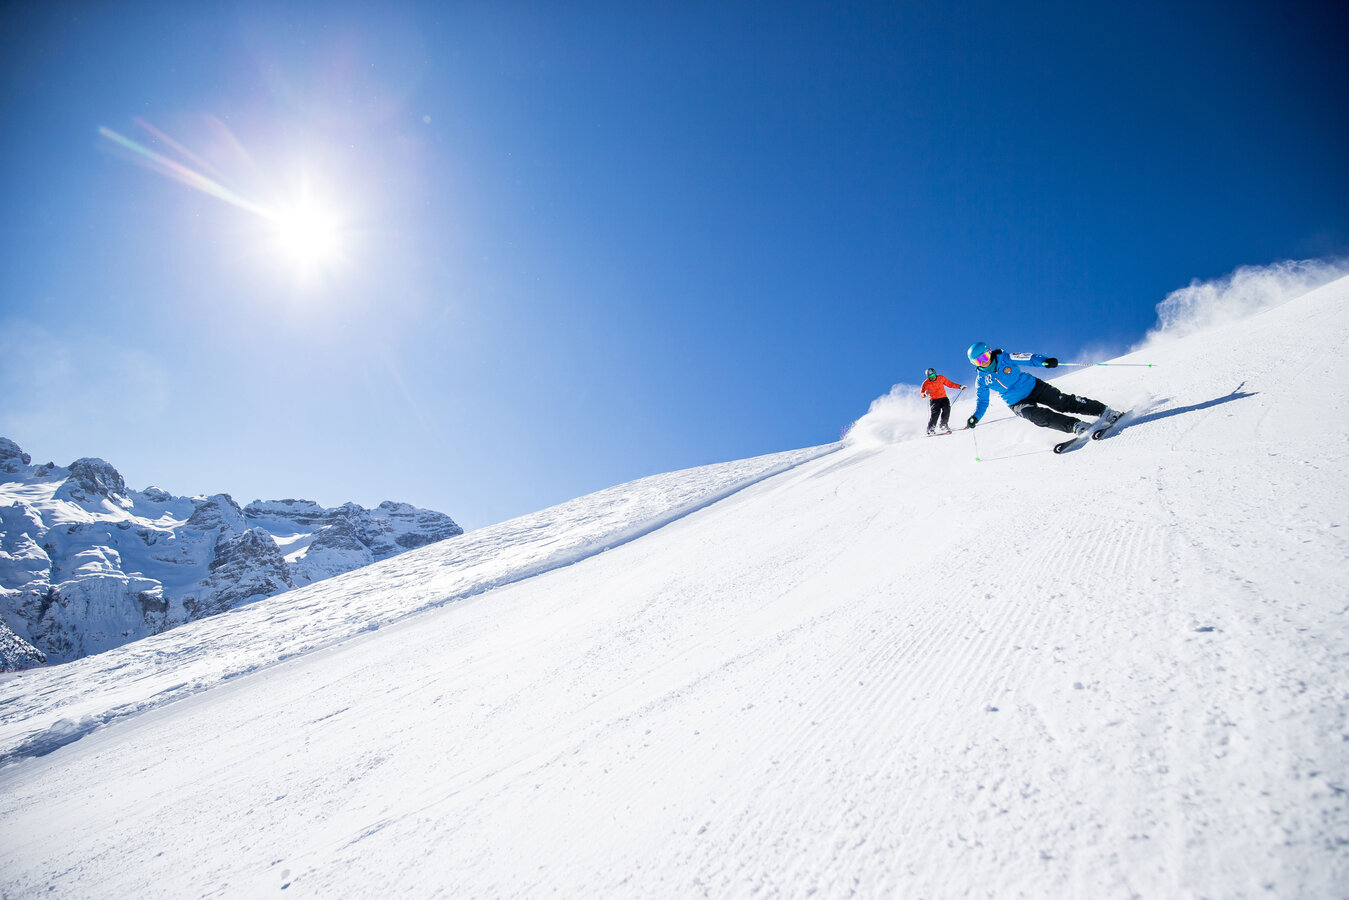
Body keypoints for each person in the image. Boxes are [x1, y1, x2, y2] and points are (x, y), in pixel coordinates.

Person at [964, 342, 1120, 435]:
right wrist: (975, 417)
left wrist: (1045, 361)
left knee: (1062, 402)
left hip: (1033, 387)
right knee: (1037, 416)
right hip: (1016, 402)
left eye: (984, 357)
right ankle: (1075, 426)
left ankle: (1105, 411)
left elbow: (1028, 358)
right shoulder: (982, 380)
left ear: (989, 353)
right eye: (977, 361)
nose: (983, 362)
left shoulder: (1005, 358)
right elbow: (982, 401)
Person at [919, 367, 964, 434]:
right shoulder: (926, 383)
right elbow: (921, 394)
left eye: (933, 375)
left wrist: (960, 386)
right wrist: (925, 394)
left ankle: (943, 425)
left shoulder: (941, 378)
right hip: (934, 400)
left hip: (943, 398)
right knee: (935, 413)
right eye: (930, 376)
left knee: (947, 409)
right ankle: (930, 428)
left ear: (935, 374)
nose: (932, 377)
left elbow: (950, 384)